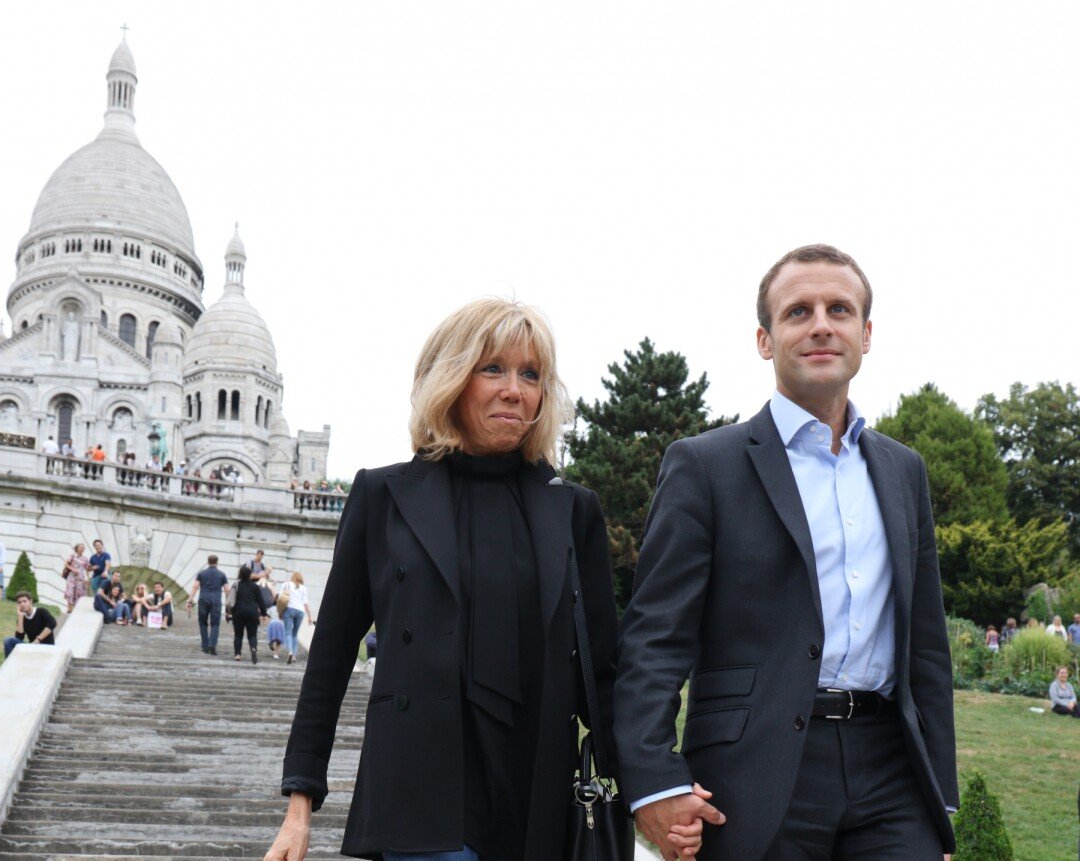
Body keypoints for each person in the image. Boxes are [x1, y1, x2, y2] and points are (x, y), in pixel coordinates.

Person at [616, 245, 959, 860]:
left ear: (866, 333)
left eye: (840, 309)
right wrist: (652, 783)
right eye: (798, 311)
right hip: (752, 773)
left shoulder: (904, 470)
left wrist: (942, 797)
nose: (822, 324)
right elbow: (656, 638)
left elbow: (926, 645)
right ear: (765, 340)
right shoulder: (704, 465)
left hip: (892, 777)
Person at [266, 298, 619, 861]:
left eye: (531, 374)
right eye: (493, 369)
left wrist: (656, 789)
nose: (514, 389)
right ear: (451, 380)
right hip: (418, 805)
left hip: (539, 806)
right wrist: (299, 802)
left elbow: (605, 676)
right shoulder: (382, 497)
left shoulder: (573, 510)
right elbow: (329, 659)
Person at [187, 555, 229, 654]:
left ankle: (205, 645)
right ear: (217, 562)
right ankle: (212, 644)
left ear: (208, 562)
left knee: (202, 623)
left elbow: (195, 587)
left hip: (203, 599)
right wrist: (228, 605)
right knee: (215, 624)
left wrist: (189, 600)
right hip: (216, 601)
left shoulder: (201, 573)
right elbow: (227, 590)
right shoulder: (222, 574)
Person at [229, 564, 266, 664]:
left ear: (240, 574)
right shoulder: (255, 586)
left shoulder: (236, 584)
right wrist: (264, 614)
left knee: (238, 635)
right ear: (250, 575)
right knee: (252, 635)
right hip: (252, 613)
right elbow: (261, 601)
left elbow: (230, 600)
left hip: (238, 612)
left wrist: (228, 613)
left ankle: (237, 655)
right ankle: (253, 649)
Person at [4, 591, 58, 656]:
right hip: (32, 647)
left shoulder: (41, 612)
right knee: (8, 641)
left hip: (47, 647)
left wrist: (38, 639)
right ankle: (10, 665)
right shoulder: (21, 618)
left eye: (24, 601)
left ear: (30, 601)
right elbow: (19, 638)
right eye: (19, 602)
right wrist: (20, 617)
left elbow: (53, 623)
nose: (22, 604)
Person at [279, 572, 316, 665]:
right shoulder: (303, 588)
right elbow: (305, 603)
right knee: (295, 634)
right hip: (300, 611)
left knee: (288, 632)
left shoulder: (286, 585)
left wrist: (280, 612)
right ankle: (294, 656)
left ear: (292, 578)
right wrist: (310, 617)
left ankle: (290, 652)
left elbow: (280, 599)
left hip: (289, 610)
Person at [62, 542, 87, 614]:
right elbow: (66, 564)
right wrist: (73, 569)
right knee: (70, 592)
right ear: (77, 548)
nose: (81, 549)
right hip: (71, 577)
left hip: (80, 578)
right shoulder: (72, 556)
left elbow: (87, 568)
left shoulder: (85, 559)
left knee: (78, 593)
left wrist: (87, 578)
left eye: (83, 548)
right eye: (80, 547)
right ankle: (69, 608)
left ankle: (75, 609)